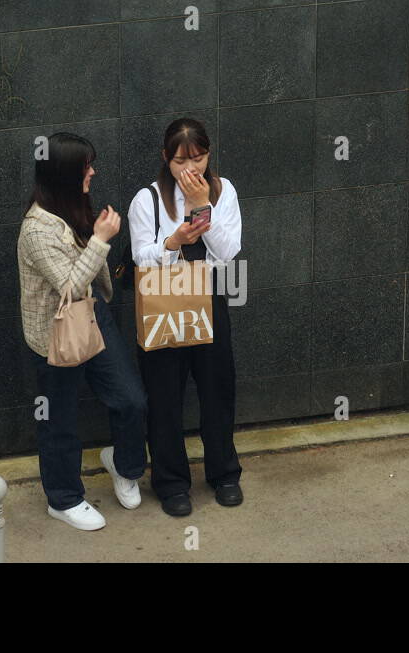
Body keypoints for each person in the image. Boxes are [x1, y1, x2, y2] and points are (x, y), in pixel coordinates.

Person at [18, 132, 148, 531]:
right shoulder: (37, 230)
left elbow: (83, 289)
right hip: (56, 334)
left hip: (92, 316)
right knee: (59, 422)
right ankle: (63, 499)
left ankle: (123, 464)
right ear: (64, 175)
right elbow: (69, 286)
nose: (92, 172)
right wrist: (102, 240)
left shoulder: (71, 204)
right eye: (85, 166)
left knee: (131, 400)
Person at [127, 117, 243, 516]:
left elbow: (228, 252)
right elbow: (139, 257)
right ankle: (171, 482)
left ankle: (224, 474)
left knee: (218, 391)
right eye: (181, 161)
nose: (191, 169)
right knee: (164, 398)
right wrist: (173, 242)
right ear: (166, 158)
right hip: (165, 298)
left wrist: (202, 210)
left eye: (199, 158)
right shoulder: (147, 199)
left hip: (209, 296)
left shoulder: (223, 190)